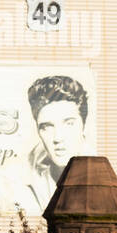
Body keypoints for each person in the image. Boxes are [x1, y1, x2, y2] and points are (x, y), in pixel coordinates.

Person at [21, 75, 90, 211]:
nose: (57, 138)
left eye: (69, 123)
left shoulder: (101, 179)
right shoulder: (21, 183)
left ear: (84, 126)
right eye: (47, 127)